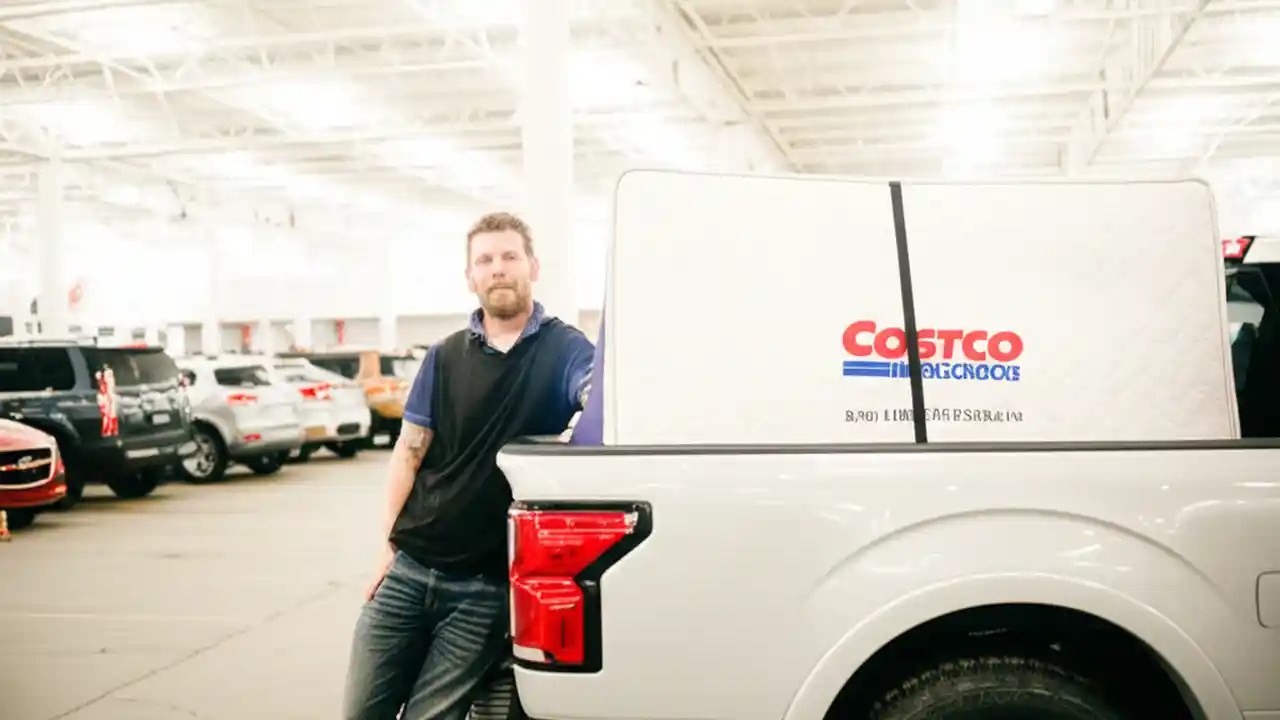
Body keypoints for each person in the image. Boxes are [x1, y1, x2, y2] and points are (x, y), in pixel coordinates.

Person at [342, 211, 594, 720]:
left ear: (533, 267)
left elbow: (600, 400)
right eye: (485, 260)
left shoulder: (566, 350)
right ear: (470, 277)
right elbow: (408, 453)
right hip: (409, 571)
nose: (497, 268)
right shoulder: (445, 355)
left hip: (484, 591)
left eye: (509, 256)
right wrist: (388, 547)